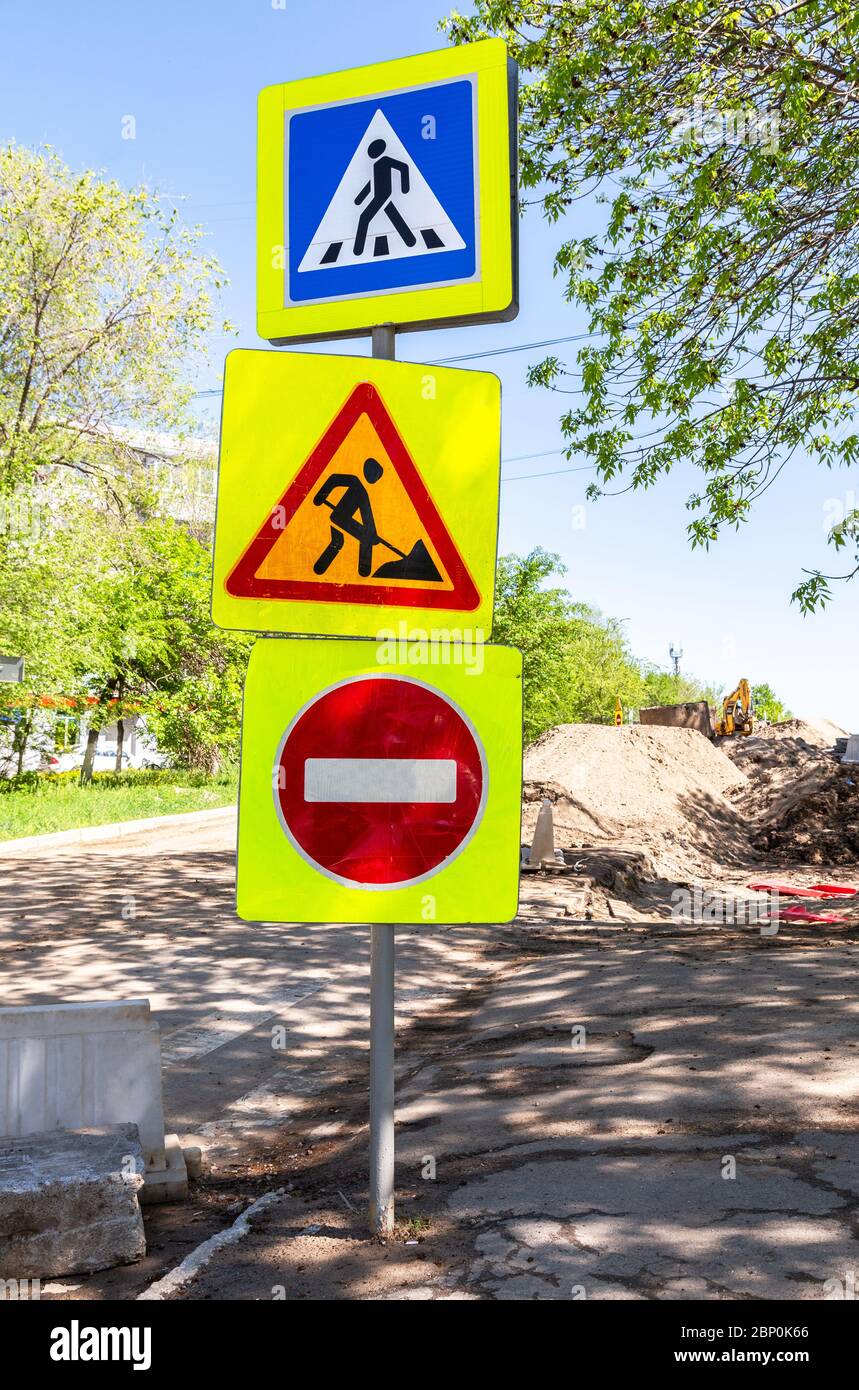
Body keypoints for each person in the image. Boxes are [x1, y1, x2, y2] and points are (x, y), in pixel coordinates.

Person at [313, 457, 384, 577]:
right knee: (346, 540)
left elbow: (366, 515)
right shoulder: (356, 483)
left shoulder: (362, 491)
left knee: (346, 540)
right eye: (374, 475)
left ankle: (364, 567)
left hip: (342, 519)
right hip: (339, 517)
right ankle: (364, 567)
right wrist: (320, 496)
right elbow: (334, 479)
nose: (374, 479)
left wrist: (372, 533)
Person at [353, 138, 416, 256]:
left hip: (383, 195)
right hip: (380, 195)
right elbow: (372, 183)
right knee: (394, 216)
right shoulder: (376, 165)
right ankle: (410, 240)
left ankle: (357, 250)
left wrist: (405, 187)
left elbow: (403, 167)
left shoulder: (386, 160)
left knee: (364, 218)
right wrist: (359, 199)